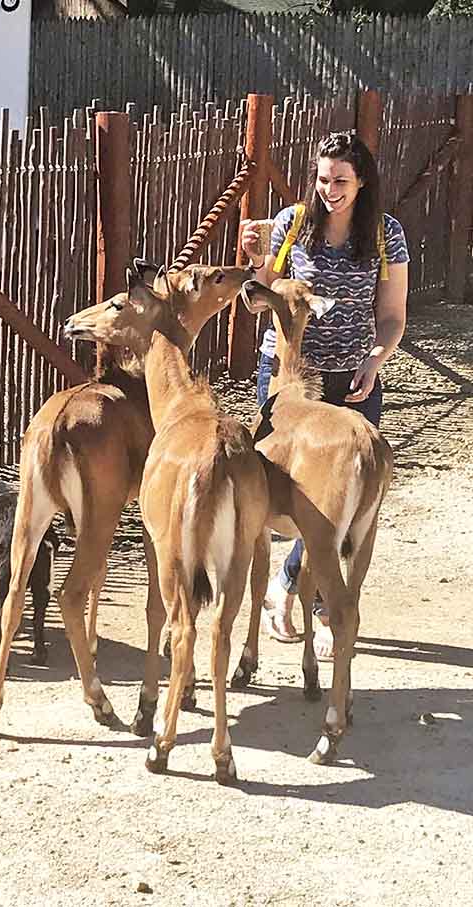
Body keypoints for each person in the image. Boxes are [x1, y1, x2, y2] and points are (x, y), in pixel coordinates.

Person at [240, 131, 409, 660]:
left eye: (340, 180)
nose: (329, 189)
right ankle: (285, 591)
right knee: (282, 492)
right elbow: (258, 294)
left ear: (362, 183)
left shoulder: (386, 234)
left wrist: (375, 360)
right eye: (322, 178)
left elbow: (392, 316)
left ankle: (300, 592)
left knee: (342, 501)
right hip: (288, 375)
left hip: (352, 379)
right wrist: (253, 259)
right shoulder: (292, 224)